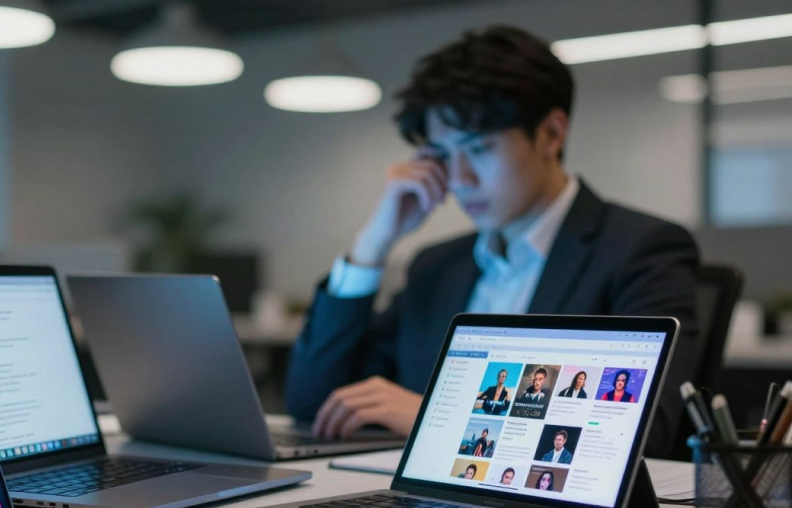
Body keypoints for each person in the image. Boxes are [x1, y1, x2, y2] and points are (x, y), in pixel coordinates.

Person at [290, 25, 699, 459]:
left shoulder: (639, 250)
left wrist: (438, 416)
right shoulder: (437, 266)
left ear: (552, 133)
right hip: (425, 507)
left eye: (480, 149)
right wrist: (372, 244)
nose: (460, 179)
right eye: (444, 156)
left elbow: (640, 434)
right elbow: (315, 404)